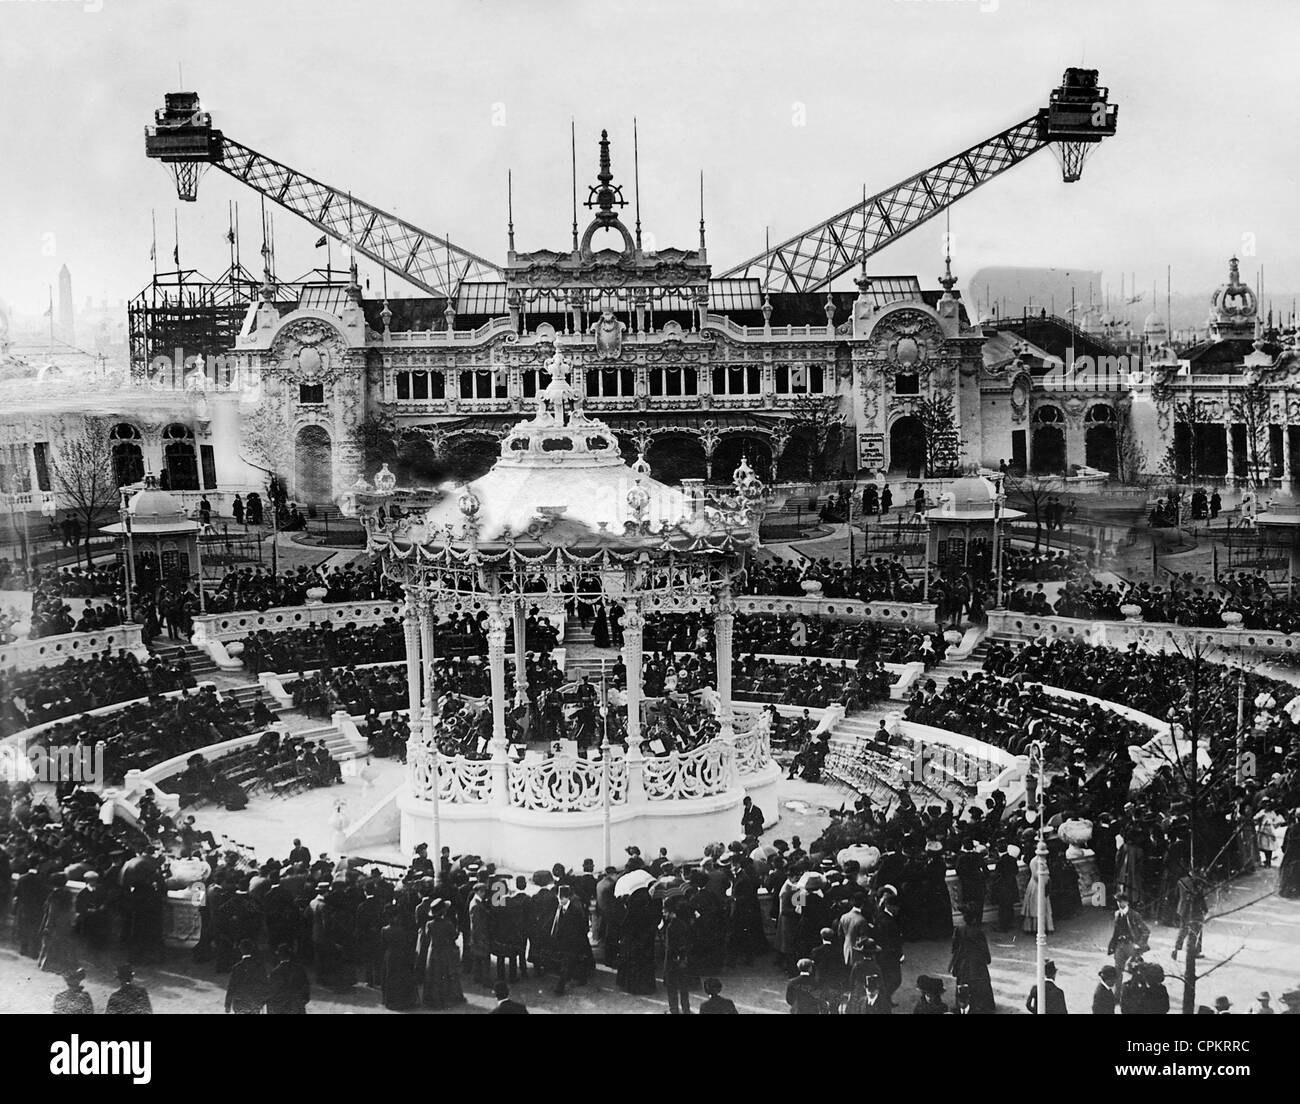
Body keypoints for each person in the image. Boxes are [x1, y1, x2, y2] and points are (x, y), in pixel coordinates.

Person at [949, 906, 995, 1014]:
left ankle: (963, 1004)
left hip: (963, 961)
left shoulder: (958, 930)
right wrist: (987, 959)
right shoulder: (979, 932)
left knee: (963, 983)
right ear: (974, 919)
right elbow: (984, 948)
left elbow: (954, 947)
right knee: (980, 982)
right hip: (977, 962)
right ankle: (981, 1006)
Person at [661, 897, 693, 1015]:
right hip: (682, 960)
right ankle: (686, 1010)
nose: (663, 914)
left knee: (671, 988)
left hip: (672, 962)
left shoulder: (670, 927)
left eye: (665, 911)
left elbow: (670, 948)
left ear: (670, 911)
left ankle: (673, 1010)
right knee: (683, 987)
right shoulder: (682, 924)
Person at [1107, 894, 1150, 976]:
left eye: (1121, 901)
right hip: (1120, 944)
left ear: (1127, 902)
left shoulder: (1134, 915)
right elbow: (1116, 932)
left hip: (1132, 944)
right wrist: (1113, 945)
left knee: (1134, 970)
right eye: (1117, 901)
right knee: (1118, 969)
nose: (1119, 903)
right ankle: (1118, 984)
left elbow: (1146, 931)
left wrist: (1138, 944)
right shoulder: (1117, 914)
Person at [266, 943, 312, 1014]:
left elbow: (271, 993)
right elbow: (306, 988)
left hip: (281, 1009)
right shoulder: (299, 969)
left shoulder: (275, 972)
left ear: (279, 956)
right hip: (297, 1007)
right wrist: (302, 1002)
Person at [225, 939, 268, 1014]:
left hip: (240, 1003)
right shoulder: (259, 966)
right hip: (254, 1003)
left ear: (241, 950)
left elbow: (231, 987)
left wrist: (227, 1004)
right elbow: (264, 984)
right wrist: (263, 1001)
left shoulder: (237, 967)